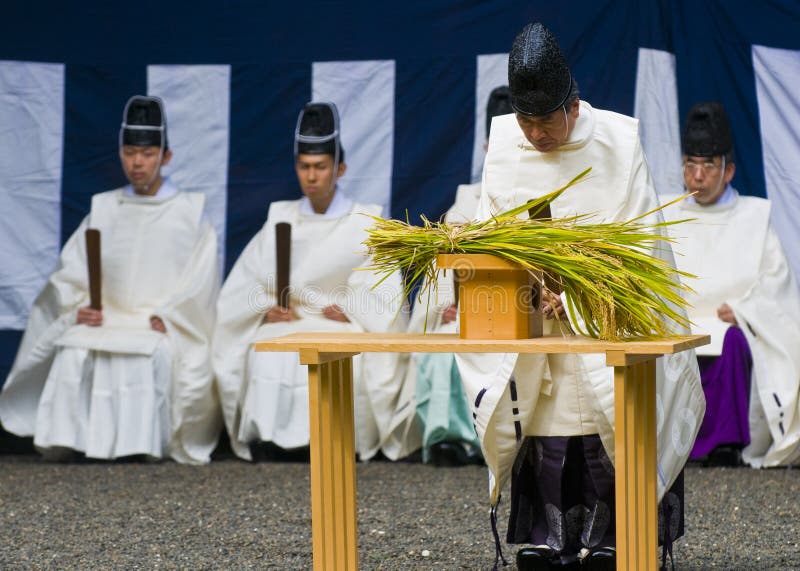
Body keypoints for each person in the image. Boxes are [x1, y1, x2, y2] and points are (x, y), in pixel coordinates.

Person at [453, 23, 705, 570]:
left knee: (605, 414)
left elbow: (642, 247)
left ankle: (616, 535)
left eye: (546, 121)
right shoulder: (506, 143)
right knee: (544, 413)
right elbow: (493, 234)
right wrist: (522, 286)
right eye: (527, 121)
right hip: (536, 329)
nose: (536, 135)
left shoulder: (618, 141)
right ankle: (548, 536)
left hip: (601, 319)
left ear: (572, 105)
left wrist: (578, 294)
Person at [0, 96, 221, 464]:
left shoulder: (190, 212)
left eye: (148, 154)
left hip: (157, 322)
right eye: (130, 152)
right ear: (121, 153)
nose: (137, 162)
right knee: (74, 344)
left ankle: (146, 444)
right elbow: (70, 270)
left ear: (166, 157)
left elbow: (201, 282)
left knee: (157, 350)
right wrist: (79, 307)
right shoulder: (103, 207)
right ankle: (73, 441)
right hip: (107, 317)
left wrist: (171, 315)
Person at [213, 102, 419, 462]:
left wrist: (353, 310)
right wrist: (265, 309)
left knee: (345, 350)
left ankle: (340, 438)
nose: (311, 176)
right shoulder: (280, 217)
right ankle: (271, 438)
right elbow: (249, 278)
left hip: (342, 322)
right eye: (304, 167)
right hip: (290, 320)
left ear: (339, 169)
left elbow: (380, 283)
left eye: (320, 167)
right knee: (267, 345)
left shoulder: (366, 220)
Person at [662, 102, 800, 468]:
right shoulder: (664, 213)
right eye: (690, 165)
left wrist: (745, 311)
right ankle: (671, 442)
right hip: (679, 325)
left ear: (729, 171)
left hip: (729, 328)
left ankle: (725, 443)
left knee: (736, 341)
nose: (698, 177)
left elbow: (778, 285)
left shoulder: (755, 215)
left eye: (708, 167)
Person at [407, 86, 512, 467]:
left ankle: (499, 440)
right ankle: (450, 437)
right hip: (466, 316)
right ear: (485, 148)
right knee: (442, 342)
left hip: (514, 315)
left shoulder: (534, 197)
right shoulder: (466, 202)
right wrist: (445, 306)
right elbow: (444, 271)